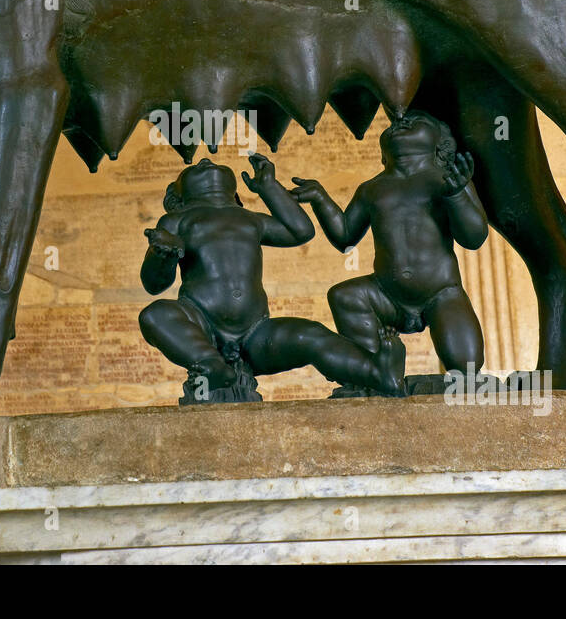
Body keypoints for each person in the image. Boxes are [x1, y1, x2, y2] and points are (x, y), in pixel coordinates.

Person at [139, 154, 405, 404]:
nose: (206, 160)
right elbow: (154, 285)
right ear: (179, 197)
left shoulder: (251, 219)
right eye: (194, 167)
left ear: (235, 195)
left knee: (310, 336)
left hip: (257, 333)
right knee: (154, 315)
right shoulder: (176, 221)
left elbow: (300, 231)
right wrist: (162, 253)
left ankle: (376, 373)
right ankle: (209, 362)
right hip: (201, 324)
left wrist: (269, 187)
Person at [291, 110, 488, 395]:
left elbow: (474, 238)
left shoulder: (448, 179)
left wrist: (457, 195)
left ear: (440, 143)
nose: (402, 122)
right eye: (395, 123)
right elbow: (345, 237)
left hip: (441, 291)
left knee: (466, 366)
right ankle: (375, 372)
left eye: (417, 121)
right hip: (385, 294)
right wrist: (321, 198)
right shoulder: (373, 189)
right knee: (345, 295)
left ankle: (455, 370)